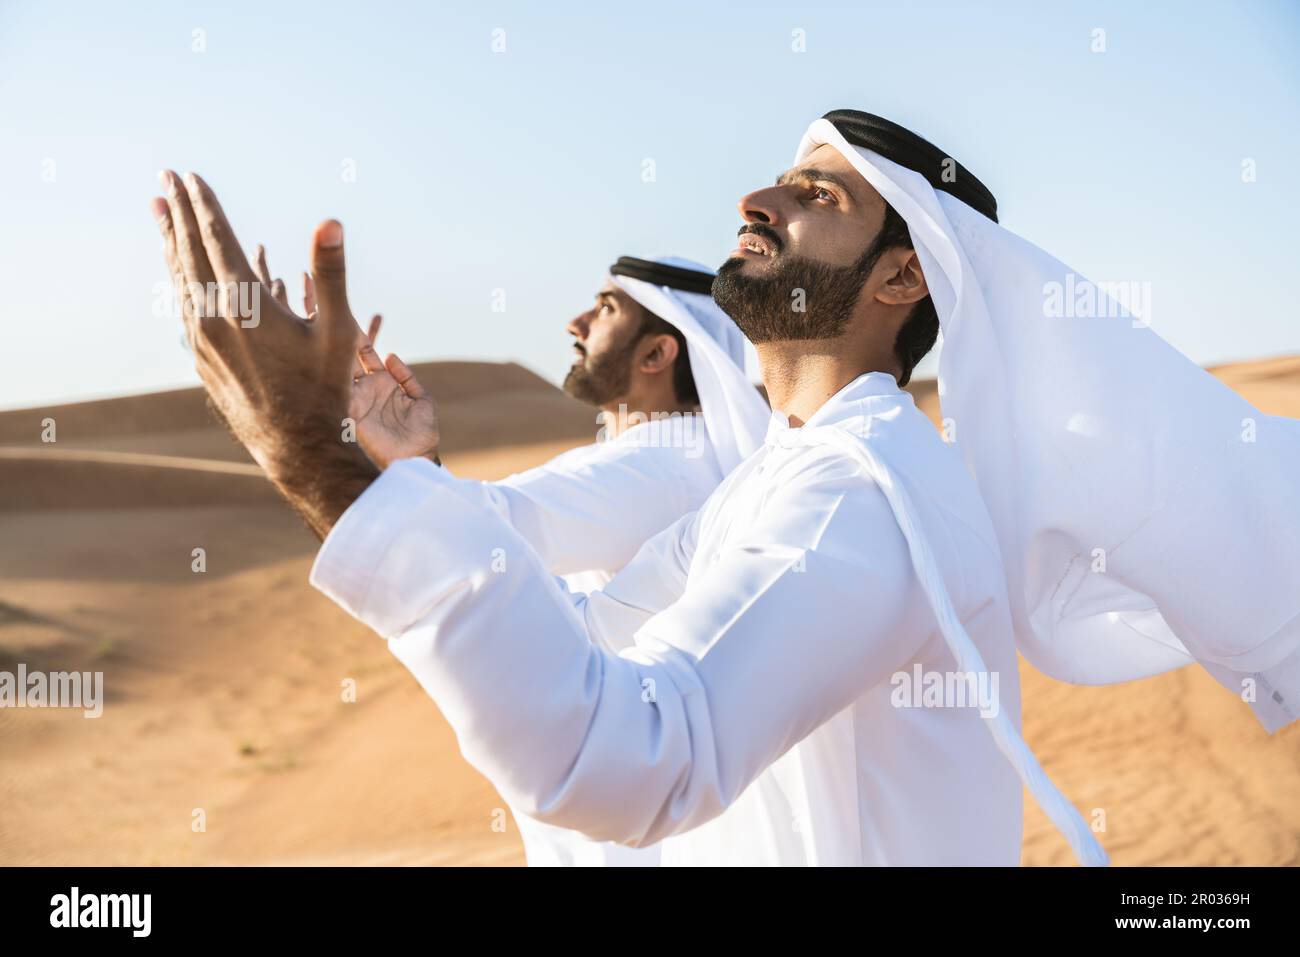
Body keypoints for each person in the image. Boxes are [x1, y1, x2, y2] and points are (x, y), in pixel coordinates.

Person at [149, 108, 1298, 866]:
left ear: (903, 273)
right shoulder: (789, 476)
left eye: (815, 194)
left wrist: (316, 459)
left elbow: (632, 760)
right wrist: (396, 475)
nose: (755, 198)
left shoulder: (862, 492)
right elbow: (586, 636)